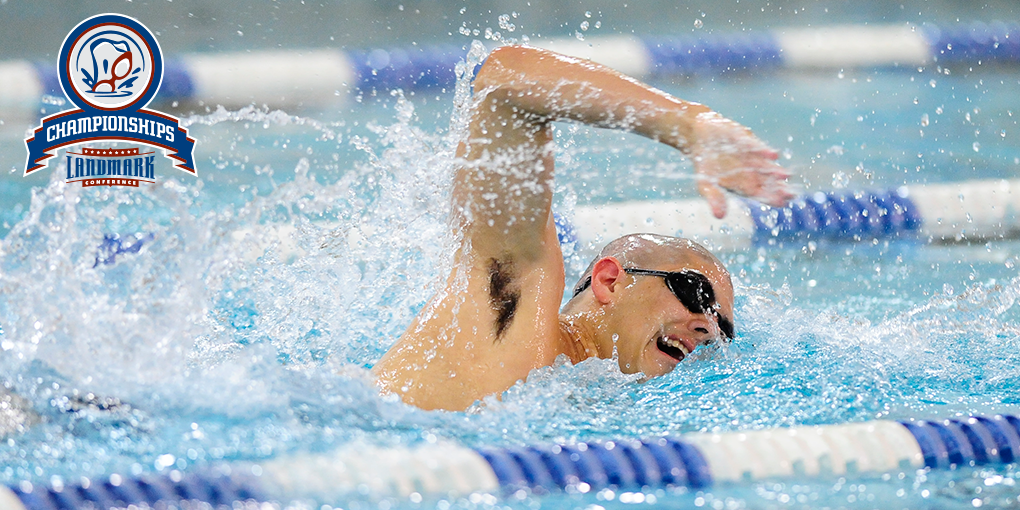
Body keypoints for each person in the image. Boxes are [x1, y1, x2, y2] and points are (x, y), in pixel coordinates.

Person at [372, 45, 793, 411]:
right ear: (609, 281)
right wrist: (687, 126)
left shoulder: (592, 399)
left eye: (723, 328)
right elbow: (505, 81)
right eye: (694, 292)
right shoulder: (517, 309)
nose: (707, 326)